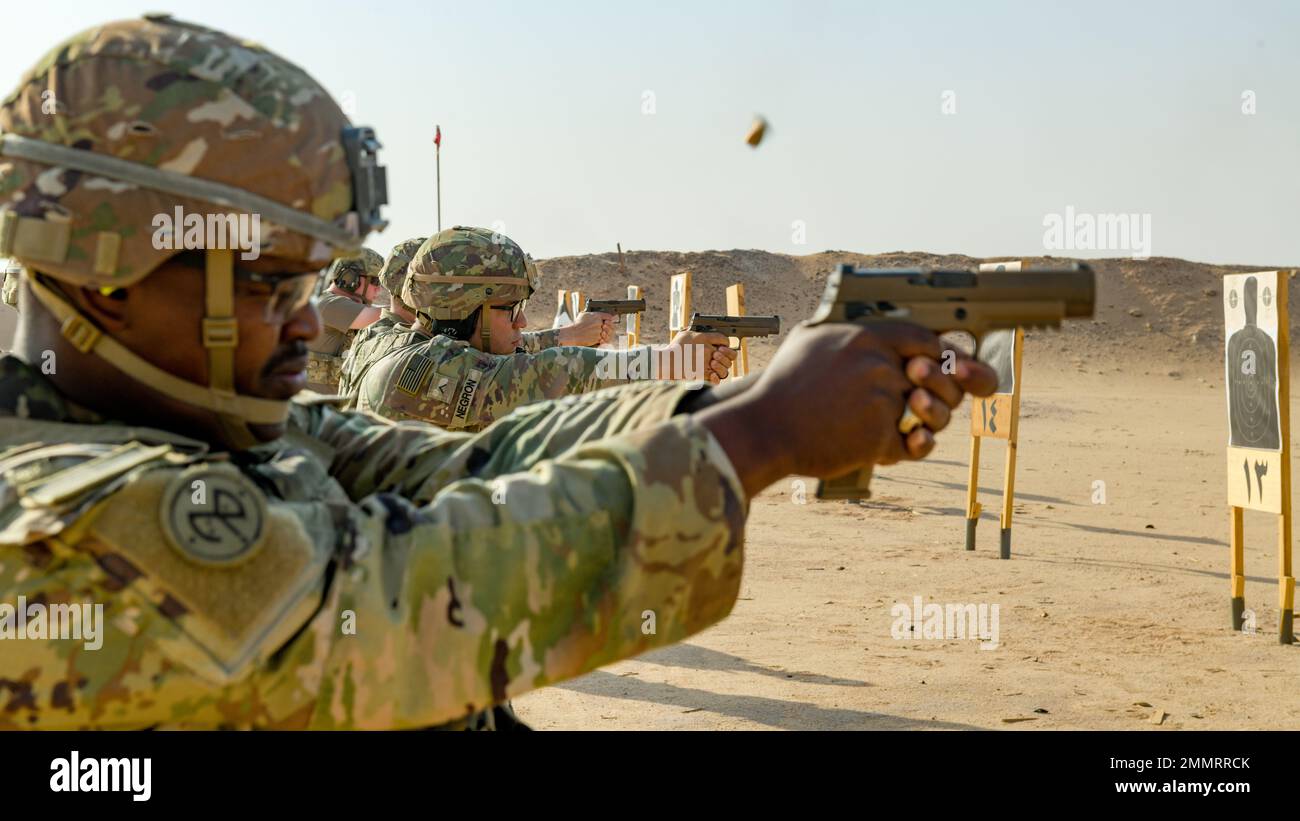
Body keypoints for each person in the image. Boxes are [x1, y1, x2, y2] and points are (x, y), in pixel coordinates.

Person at [0, 15, 994, 729]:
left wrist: (746, 400)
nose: (309, 324)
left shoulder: (195, 415)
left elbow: (467, 458)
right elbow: (379, 605)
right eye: (268, 285)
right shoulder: (56, 525)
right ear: (104, 272)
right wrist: (767, 433)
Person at [354, 226, 737, 430]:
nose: (521, 322)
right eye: (509, 310)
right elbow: (550, 373)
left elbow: (526, 359)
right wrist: (672, 361)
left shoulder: (420, 348)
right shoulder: (420, 372)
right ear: (463, 310)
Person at [337, 237, 612, 399]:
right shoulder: (425, 360)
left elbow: (499, 345)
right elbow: (510, 370)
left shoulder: (378, 335)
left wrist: (568, 335)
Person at [306, 247, 384, 393]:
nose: (378, 289)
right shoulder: (328, 304)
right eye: (375, 281)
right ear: (349, 278)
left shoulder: (341, 306)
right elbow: (385, 315)